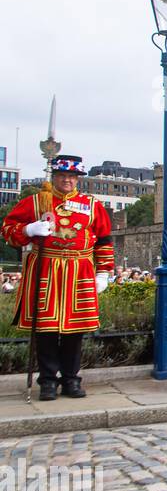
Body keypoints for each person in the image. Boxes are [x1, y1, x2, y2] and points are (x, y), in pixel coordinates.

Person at [1, 155, 113, 400]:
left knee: (75, 330)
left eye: (72, 177)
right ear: (54, 177)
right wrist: (28, 230)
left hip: (79, 269)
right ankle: (48, 381)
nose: (67, 180)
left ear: (78, 179)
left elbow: (104, 240)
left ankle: (72, 379)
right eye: (62, 176)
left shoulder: (91, 205)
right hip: (46, 268)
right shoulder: (37, 202)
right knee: (46, 329)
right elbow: (8, 229)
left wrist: (103, 271)